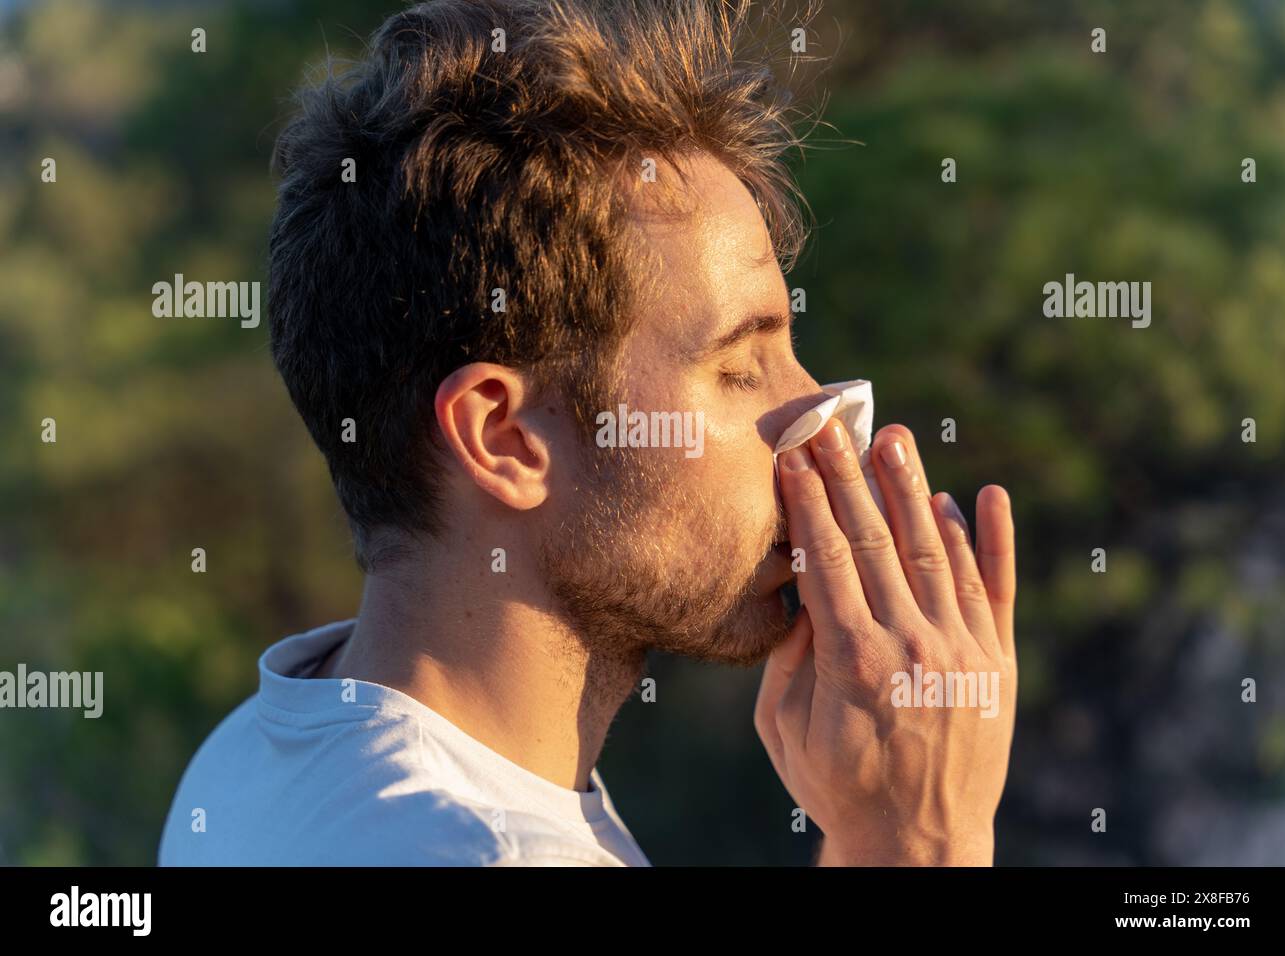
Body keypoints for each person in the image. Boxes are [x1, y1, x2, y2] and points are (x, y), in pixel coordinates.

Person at [159, 0, 1016, 867]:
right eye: (740, 364)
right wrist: (922, 837)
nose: (825, 421)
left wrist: (868, 828)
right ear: (503, 438)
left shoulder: (261, 750)